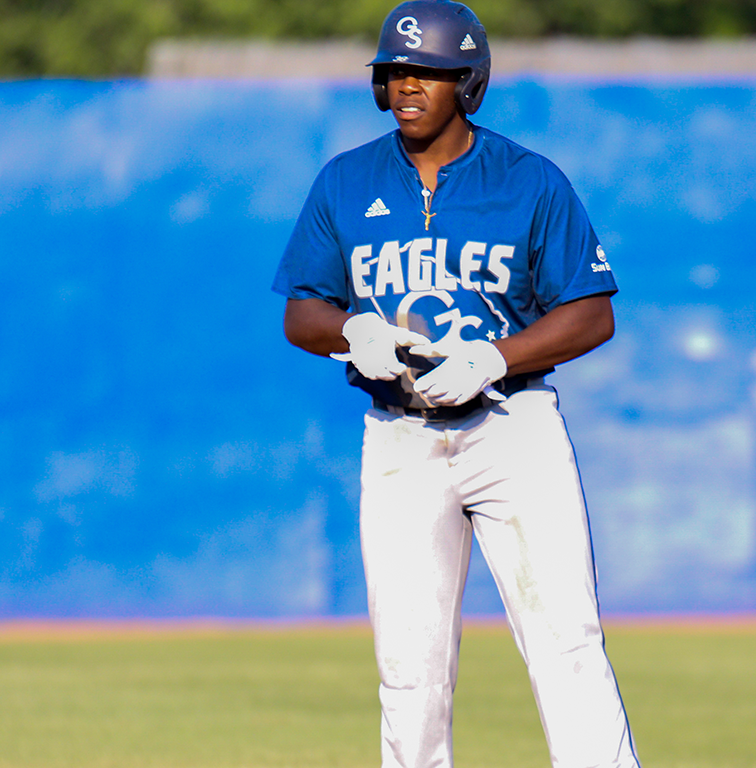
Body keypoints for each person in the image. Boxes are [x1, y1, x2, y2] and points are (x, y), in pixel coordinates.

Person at [271, 2, 641, 767]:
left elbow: (592, 313)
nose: (409, 86)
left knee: (565, 640)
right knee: (409, 669)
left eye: (429, 73)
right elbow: (303, 310)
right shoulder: (346, 180)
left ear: (468, 84)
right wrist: (355, 333)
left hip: (513, 427)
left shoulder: (529, 181)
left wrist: (498, 356)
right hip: (400, 436)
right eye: (397, 72)